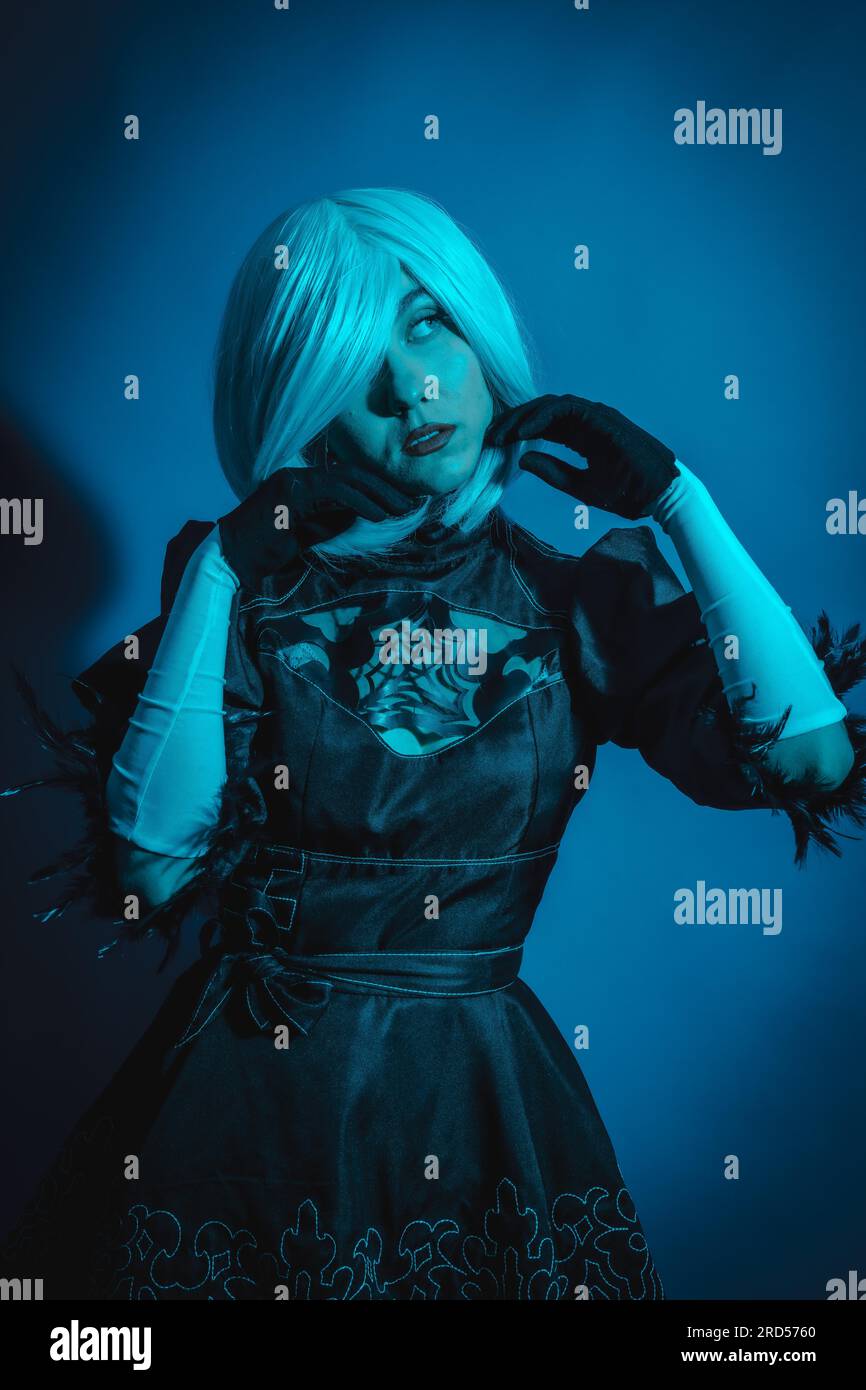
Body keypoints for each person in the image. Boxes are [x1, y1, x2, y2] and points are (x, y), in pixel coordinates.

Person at [2, 188, 864, 1302]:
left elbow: (813, 760)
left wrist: (678, 500)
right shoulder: (235, 600)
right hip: (246, 1114)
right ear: (298, 402)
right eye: (350, 356)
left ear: (474, 330)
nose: (407, 384)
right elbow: (153, 862)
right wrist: (222, 568)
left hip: (481, 1105)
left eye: (426, 325)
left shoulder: (569, 603)